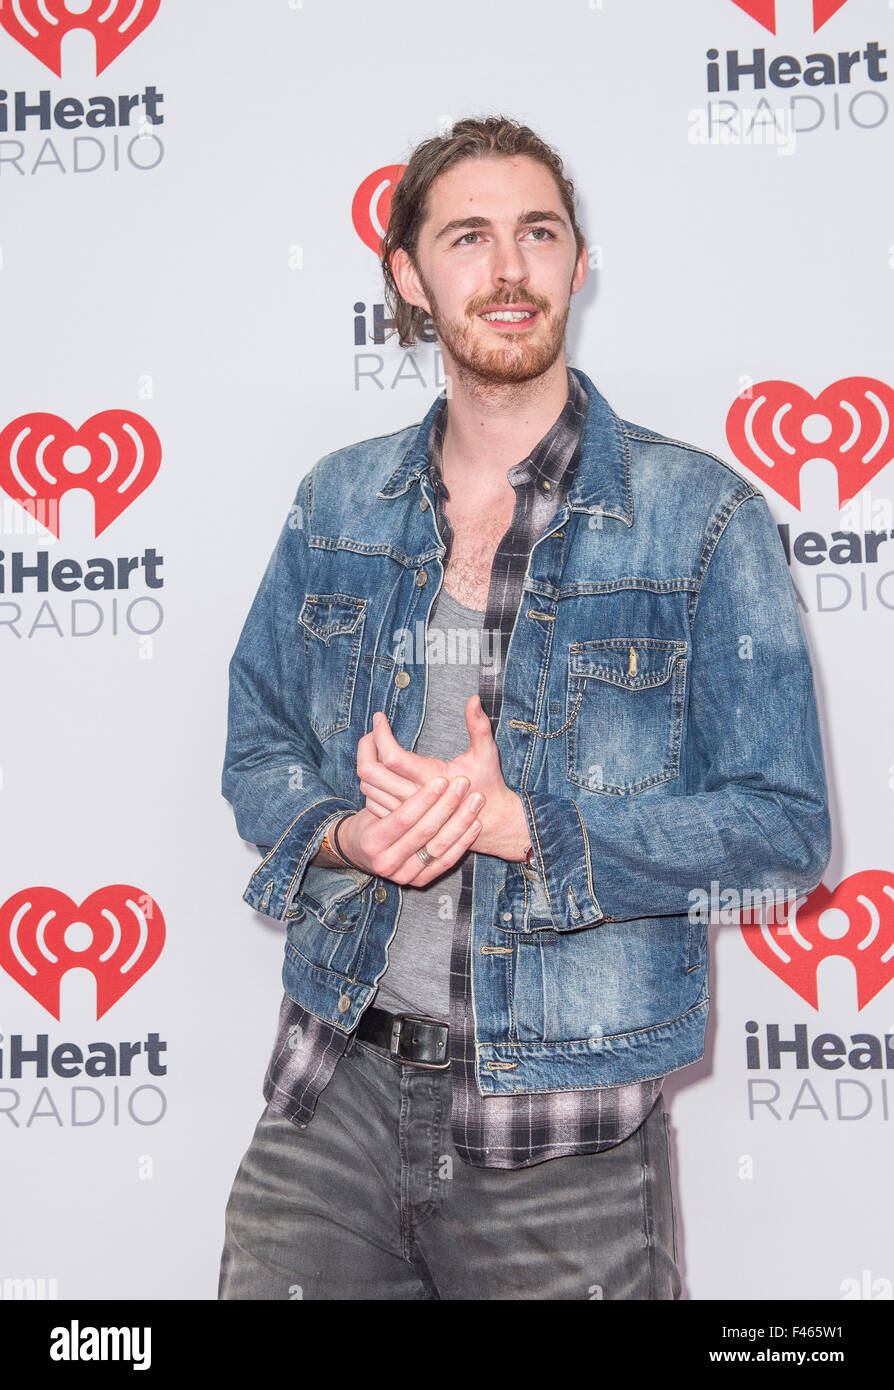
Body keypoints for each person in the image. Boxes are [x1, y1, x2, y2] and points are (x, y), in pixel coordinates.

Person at [217, 115, 831, 1300]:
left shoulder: (701, 516)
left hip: (570, 1141)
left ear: (577, 263)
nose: (508, 268)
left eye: (538, 232)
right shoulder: (335, 502)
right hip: (327, 1100)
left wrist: (531, 829)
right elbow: (259, 744)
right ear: (407, 275)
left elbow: (783, 826)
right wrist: (345, 835)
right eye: (468, 237)